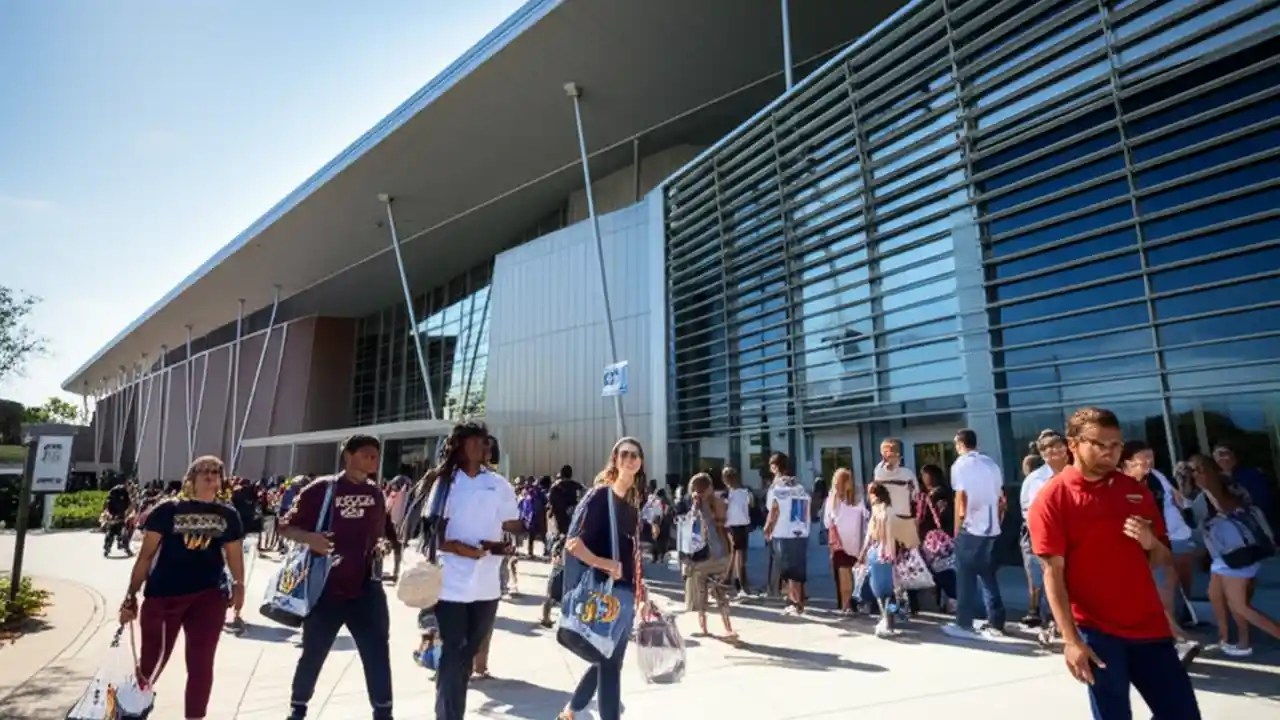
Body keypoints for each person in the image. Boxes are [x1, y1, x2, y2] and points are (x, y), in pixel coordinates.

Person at [1028, 407, 1201, 720]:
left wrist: (1150, 542)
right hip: (1098, 633)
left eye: (1116, 445)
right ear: (1073, 444)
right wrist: (1071, 641)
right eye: (1099, 444)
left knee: (1183, 714)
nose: (1110, 452)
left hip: (1149, 626)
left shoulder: (1134, 490)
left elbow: (1162, 558)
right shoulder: (1052, 498)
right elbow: (1052, 574)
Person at [118, 456, 245, 720]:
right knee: (153, 662)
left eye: (215, 472)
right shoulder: (167, 511)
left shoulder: (228, 515)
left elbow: (234, 554)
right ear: (191, 478)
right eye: (203, 471)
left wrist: (239, 583)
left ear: (222, 480)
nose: (210, 476)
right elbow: (145, 556)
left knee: (201, 664)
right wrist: (131, 594)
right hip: (165, 596)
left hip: (209, 596)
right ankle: (132, 711)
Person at [280, 435, 393, 720]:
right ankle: (298, 708)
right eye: (366, 454)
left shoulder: (376, 493)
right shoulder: (321, 489)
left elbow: (378, 534)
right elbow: (285, 527)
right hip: (325, 586)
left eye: (375, 456)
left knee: (377, 651)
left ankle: (383, 712)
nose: (372, 460)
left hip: (366, 587)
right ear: (348, 456)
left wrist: (382, 546)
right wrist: (310, 539)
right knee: (313, 652)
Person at [429, 422, 520, 720]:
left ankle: (450, 706)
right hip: (450, 583)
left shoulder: (499, 484)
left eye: (486, 443)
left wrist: (503, 544)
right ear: (462, 446)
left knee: (467, 656)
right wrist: (459, 548)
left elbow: (513, 524)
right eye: (479, 442)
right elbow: (434, 534)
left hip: (487, 585)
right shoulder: (444, 483)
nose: (485, 447)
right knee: (455, 652)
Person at [556, 437, 646, 720]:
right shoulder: (599, 497)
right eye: (624, 454)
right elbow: (573, 543)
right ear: (615, 460)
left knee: (610, 661)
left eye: (635, 455)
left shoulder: (632, 507)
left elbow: (632, 556)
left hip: (625, 594)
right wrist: (603, 563)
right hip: (603, 594)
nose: (630, 459)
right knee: (607, 663)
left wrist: (641, 589)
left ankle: (570, 712)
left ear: (641, 462)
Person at [1187, 454, 1280, 658]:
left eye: (1198, 469)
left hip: (1237, 553)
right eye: (1192, 470)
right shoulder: (1207, 491)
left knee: (1240, 605)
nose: (1195, 474)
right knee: (1216, 595)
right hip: (1224, 554)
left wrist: (1207, 489)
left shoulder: (1225, 488)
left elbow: (1228, 509)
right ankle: (1237, 641)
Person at [1120, 441, 1201, 664]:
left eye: (1151, 458)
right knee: (1152, 600)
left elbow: (1176, 501)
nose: (1148, 463)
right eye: (1142, 459)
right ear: (1127, 461)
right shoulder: (1117, 485)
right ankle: (1180, 641)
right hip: (1131, 551)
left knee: (1164, 598)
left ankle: (1173, 642)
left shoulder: (1155, 478)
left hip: (1160, 546)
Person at [943, 428, 1007, 641]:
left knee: (965, 576)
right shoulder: (991, 464)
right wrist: (997, 522)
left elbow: (961, 497)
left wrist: (957, 528)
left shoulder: (960, 465)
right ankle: (996, 621)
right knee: (988, 575)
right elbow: (1001, 499)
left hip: (971, 527)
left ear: (960, 444)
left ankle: (964, 623)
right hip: (992, 528)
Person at [1020, 430, 1068, 639]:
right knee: (1050, 581)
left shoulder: (1077, 472)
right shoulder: (1036, 479)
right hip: (1046, 539)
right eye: (1048, 451)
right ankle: (1052, 623)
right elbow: (1028, 511)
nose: (1054, 454)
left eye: (1058, 448)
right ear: (1042, 455)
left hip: (1073, 538)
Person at [684, 472, 736, 641]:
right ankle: (725, 627)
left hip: (712, 554)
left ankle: (705, 626)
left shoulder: (707, 505)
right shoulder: (711, 503)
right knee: (717, 591)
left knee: (699, 583)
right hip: (718, 554)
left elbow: (702, 528)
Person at [763, 452, 810, 616]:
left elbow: (774, 510)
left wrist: (767, 527)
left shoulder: (777, 487)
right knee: (797, 569)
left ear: (775, 467)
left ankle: (795, 602)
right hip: (800, 531)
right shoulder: (798, 485)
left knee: (788, 570)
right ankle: (797, 601)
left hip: (783, 532)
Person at [824, 468, 866, 615]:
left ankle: (846, 606)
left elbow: (827, 522)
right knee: (856, 576)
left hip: (840, 543)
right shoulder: (858, 499)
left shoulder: (833, 499)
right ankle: (854, 604)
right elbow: (865, 518)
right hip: (857, 542)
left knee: (844, 576)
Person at [915, 464, 957, 613]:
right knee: (941, 569)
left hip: (935, 540)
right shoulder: (938, 493)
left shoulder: (937, 495)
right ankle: (943, 599)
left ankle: (951, 599)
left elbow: (940, 515)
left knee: (941, 569)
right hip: (937, 538)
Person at [860, 481, 898, 638]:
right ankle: (889, 621)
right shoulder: (890, 511)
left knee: (880, 590)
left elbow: (870, 535)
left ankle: (886, 620)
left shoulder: (879, 512)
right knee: (890, 591)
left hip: (879, 552)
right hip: (886, 553)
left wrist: (862, 553)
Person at [722, 466, 754, 597]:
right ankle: (738, 583)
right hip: (742, 526)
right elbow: (751, 505)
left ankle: (732, 582)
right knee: (740, 555)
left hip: (732, 526)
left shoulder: (727, 495)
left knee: (735, 554)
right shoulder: (746, 492)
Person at [103, 482, 134, 557]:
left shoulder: (122, 495)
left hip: (119, 518)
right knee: (112, 532)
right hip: (115, 518)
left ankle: (123, 546)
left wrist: (127, 514)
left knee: (121, 532)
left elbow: (130, 506)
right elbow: (106, 508)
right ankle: (109, 547)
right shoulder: (121, 494)